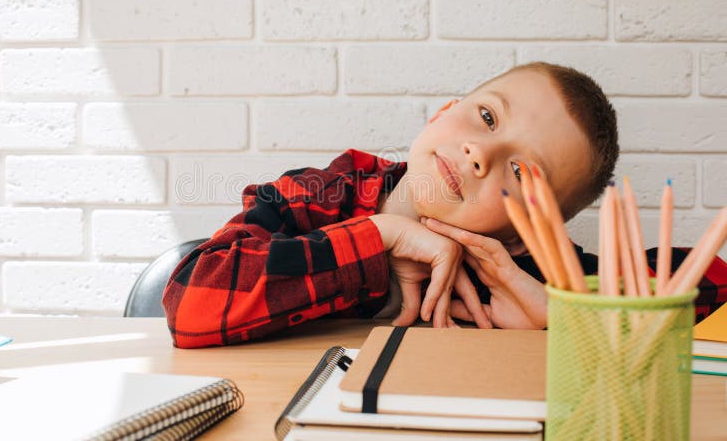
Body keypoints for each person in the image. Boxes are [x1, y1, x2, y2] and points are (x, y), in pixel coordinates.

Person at [162, 62, 726, 348]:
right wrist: (381, 238)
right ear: (443, 112)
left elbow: (709, 283)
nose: (481, 153)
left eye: (522, 170)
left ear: (532, 231)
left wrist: (574, 319)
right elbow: (189, 301)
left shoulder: (527, 277)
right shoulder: (320, 194)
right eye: (486, 117)